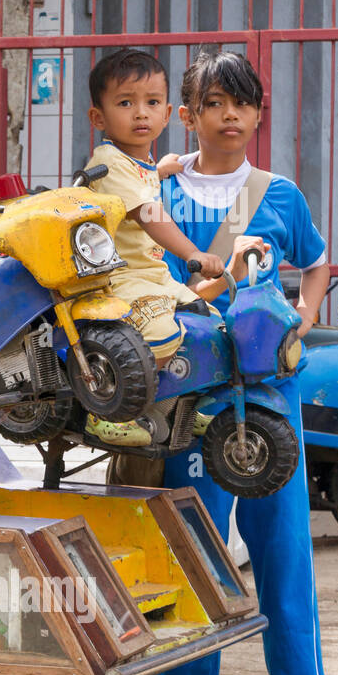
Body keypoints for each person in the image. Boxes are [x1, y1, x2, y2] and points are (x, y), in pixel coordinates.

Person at [150, 49, 331, 675]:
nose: (231, 116)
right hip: (190, 395)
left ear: (258, 112)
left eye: (242, 103)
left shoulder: (280, 192)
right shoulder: (159, 191)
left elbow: (315, 260)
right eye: (214, 103)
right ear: (189, 114)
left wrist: (308, 313)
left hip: (269, 400)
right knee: (194, 546)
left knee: (283, 548)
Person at [80, 48, 227, 447]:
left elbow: (142, 181)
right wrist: (193, 254)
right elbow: (147, 213)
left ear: (167, 114)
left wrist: (161, 169)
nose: (140, 113)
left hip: (152, 276)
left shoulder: (138, 163)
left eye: (152, 103)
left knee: (210, 322)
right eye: (125, 103)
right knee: (162, 335)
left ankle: (178, 405)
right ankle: (107, 408)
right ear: (99, 118)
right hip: (120, 279)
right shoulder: (107, 161)